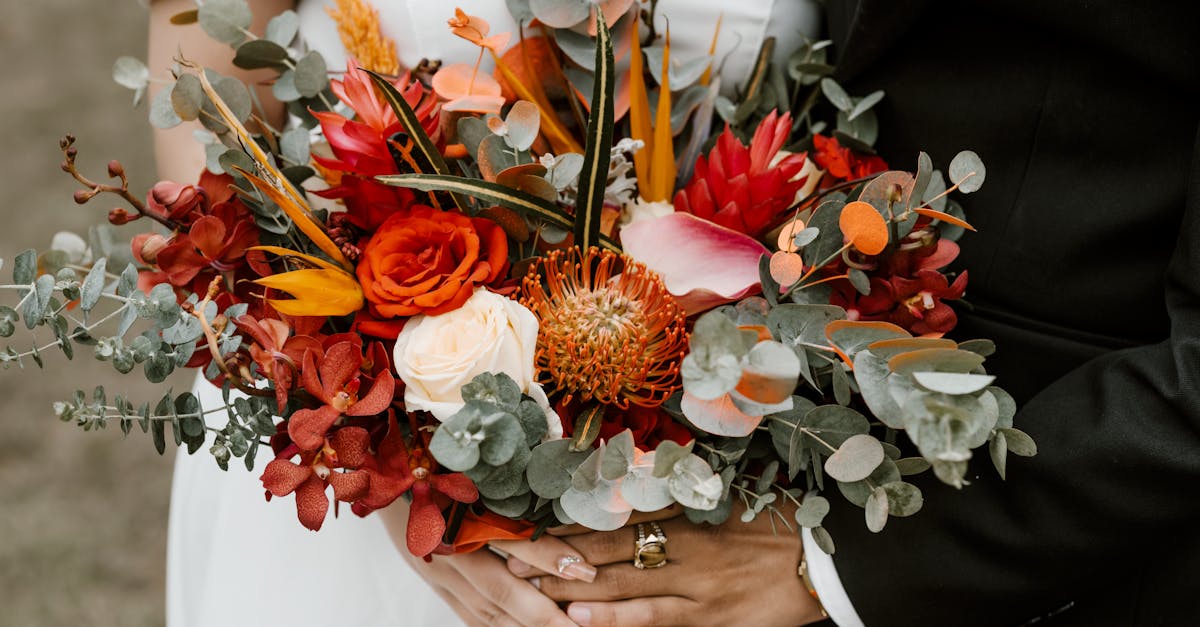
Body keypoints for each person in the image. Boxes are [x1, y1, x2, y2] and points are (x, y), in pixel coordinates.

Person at [153, 1, 828, 625]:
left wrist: (819, 567)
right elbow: (203, 119)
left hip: (739, 492)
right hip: (362, 505)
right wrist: (380, 459)